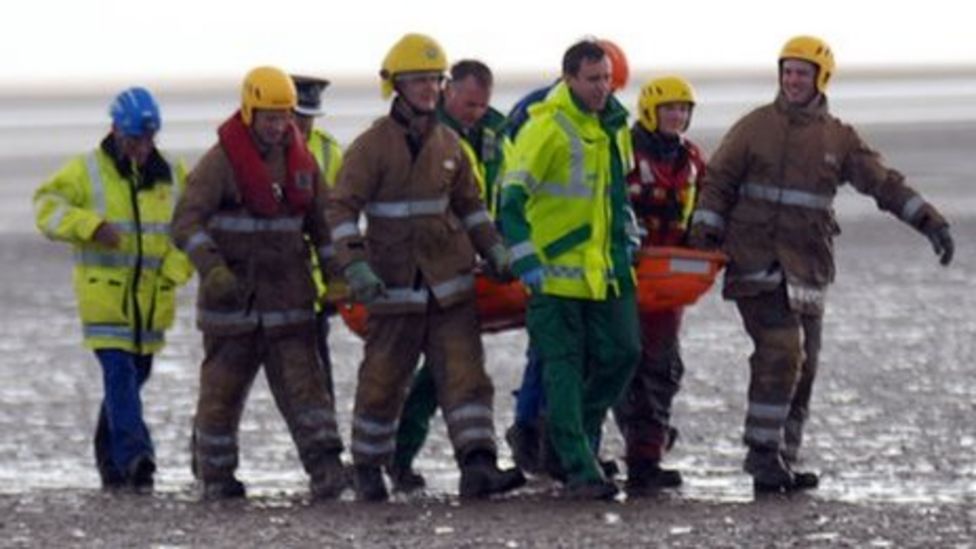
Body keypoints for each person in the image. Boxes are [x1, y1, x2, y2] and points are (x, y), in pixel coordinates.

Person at [687, 35, 955, 493]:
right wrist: (704, 232)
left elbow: (883, 184)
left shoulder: (839, 138)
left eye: (802, 73)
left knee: (805, 365)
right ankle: (762, 455)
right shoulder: (753, 127)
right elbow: (717, 182)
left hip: (808, 268)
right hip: (756, 262)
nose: (793, 80)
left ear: (820, 79)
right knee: (781, 352)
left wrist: (929, 222)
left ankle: (783, 459)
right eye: (787, 71)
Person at [325, 33, 525, 502]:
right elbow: (339, 210)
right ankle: (370, 469)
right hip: (391, 289)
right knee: (382, 381)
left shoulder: (450, 143)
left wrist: (494, 249)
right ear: (397, 85)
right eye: (419, 81)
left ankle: (478, 465)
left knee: (467, 378)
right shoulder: (372, 146)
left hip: (450, 289)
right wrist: (354, 266)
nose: (429, 90)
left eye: (435, 81)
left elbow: (472, 207)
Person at [172, 66, 346, 500]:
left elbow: (323, 225)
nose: (278, 125)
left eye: (284, 116)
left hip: (289, 302)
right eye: (269, 116)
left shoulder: (302, 164)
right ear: (250, 112)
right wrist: (211, 269)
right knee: (221, 395)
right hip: (232, 305)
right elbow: (186, 221)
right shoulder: (220, 163)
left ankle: (326, 469)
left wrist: (337, 278)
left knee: (308, 392)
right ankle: (215, 475)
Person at [33, 87, 193, 492]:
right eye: (133, 139)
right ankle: (138, 455)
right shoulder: (87, 171)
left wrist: (176, 271)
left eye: (147, 140)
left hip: (151, 306)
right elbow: (46, 206)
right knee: (119, 377)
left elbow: (192, 228)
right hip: (105, 302)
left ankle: (111, 464)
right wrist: (89, 225)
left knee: (132, 379)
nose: (141, 148)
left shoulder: (173, 174)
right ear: (115, 131)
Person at [500, 39, 641, 499]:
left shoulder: (616, 126)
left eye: (607, 79)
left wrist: (628, 238)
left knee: (624, 354)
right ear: (569, 79)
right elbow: (511, 199)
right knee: (562, 367)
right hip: (554, 275)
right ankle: (579, 467)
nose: (603, 88)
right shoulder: (546, 128)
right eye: (593, 79)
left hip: (606, 271)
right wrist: (525, 259)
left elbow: (615, 195)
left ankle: (569, 435)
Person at [389, 59, 513, 492]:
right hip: (432, 270)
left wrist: (496, 247)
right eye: (468, 103)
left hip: (473, 262)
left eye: (482, 105)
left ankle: (465, 464)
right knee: (429, 373)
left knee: (451, 371)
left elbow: (497, 194)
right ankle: (399, 457)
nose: (475, 112)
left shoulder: (497, 133)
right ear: (448, 93)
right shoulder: (427, 136)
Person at [611, 76, 705, 496]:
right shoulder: (622, 153)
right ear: (651, 110)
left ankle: (646, 458)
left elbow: (707, 208)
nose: (677, 116)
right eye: (670, 108)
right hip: (623, 279)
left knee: (663, 369)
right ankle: (627, 452)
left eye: (684, 109)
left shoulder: (692, 160)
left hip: (668, 284)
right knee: (621, 365)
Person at [291, 74, 344, 387]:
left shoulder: (328, 152)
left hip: (315, 290)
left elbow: (338, 219)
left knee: (317, 374)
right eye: (298, 116)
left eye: (309, 118)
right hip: (268, 285)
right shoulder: (260, 151)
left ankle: (325, 434)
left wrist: (337, 279)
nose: (304, 125)